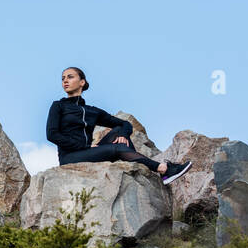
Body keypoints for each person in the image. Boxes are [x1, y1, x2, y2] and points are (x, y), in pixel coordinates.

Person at [46, 66, 192, 184]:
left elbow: (125, 124)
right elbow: (52, 135)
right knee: (118, 148)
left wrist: (123, 134)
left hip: (89, 151)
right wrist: (83, 146)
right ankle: (162, 169)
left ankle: (141, 177)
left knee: (118, 132)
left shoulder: (92, 111)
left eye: (70, 77)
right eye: (63, 78)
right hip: (70, 156)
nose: (65, 80)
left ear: (82, 82)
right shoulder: (58, 106)